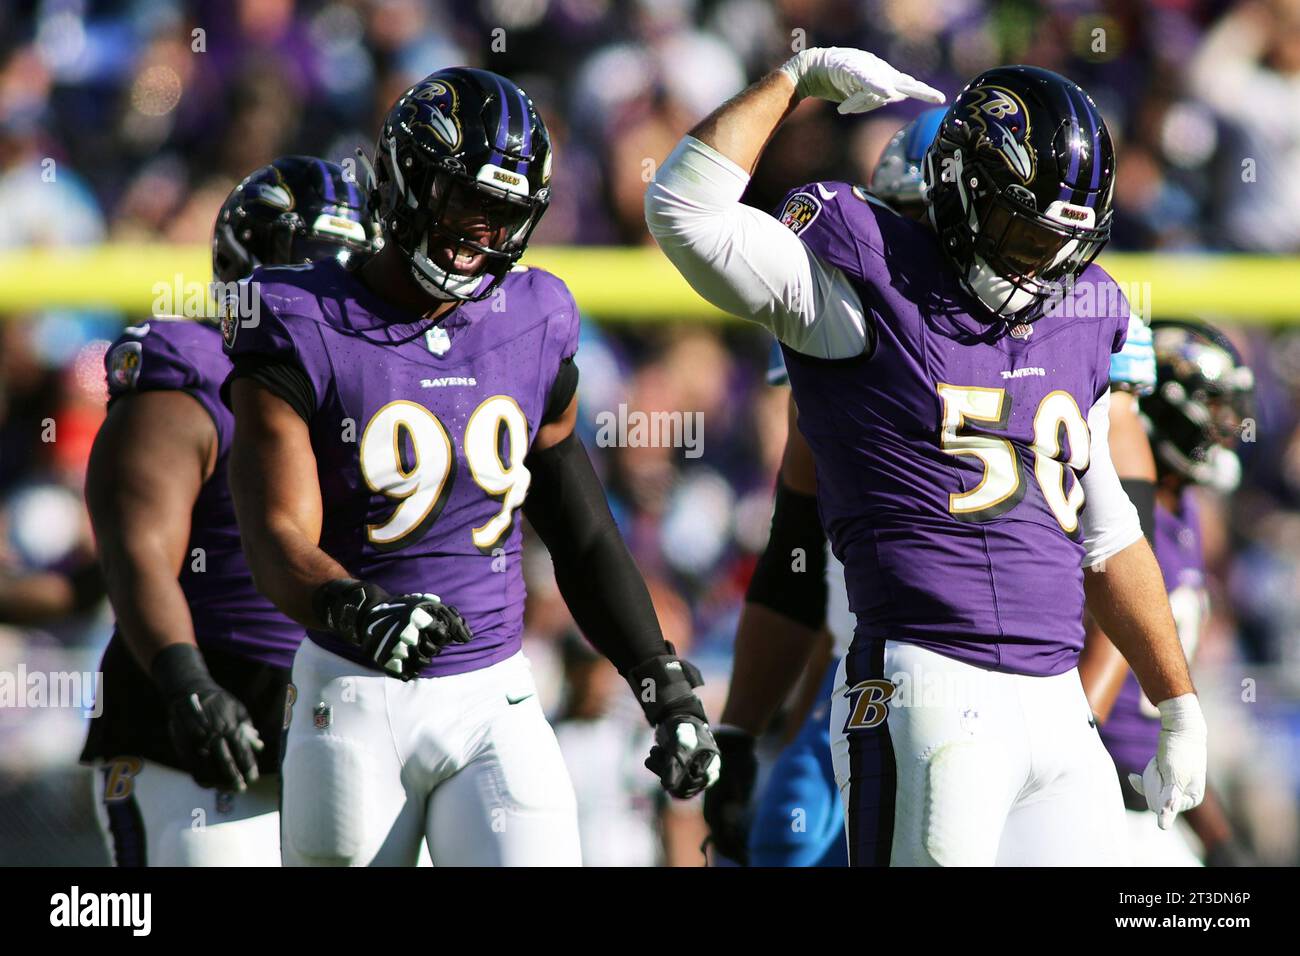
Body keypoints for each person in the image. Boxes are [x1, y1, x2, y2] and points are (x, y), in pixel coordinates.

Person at [647, 47, 1205, 865]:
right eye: (1025, 232)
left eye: (1063, 243)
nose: (1042, 267)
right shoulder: (859, 280)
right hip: (928, 682)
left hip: (1057, 709)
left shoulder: (1084, 314)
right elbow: (683, 209)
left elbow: (1110, 531)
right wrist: (794, 82)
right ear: (962, 194)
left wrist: (1178, 702)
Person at [222, 67, 719, 867]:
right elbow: (276, 533)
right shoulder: (298, 317)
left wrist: (661, 682)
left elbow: (581, 529)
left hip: (496, 686)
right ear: (405, 184)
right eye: (464, 204)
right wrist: (357, 609)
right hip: (355, 691)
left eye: (502, 217)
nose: (477, 236)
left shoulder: (535, 314)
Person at [81, 156, 376, 865]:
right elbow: (136, 551)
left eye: (346, 270)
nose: (330, 292)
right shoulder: (194, 367)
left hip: (339, 715)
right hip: (209, 709)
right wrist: (187, 686)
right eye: (311, 267)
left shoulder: (375, 379)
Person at [1091, 320, 1255, 866]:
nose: (1228, 424)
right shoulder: (1113, 514)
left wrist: (1218, 837)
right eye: (1213, 403)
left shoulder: (1185, 512)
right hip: (1099, 796)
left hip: (1155, 808)